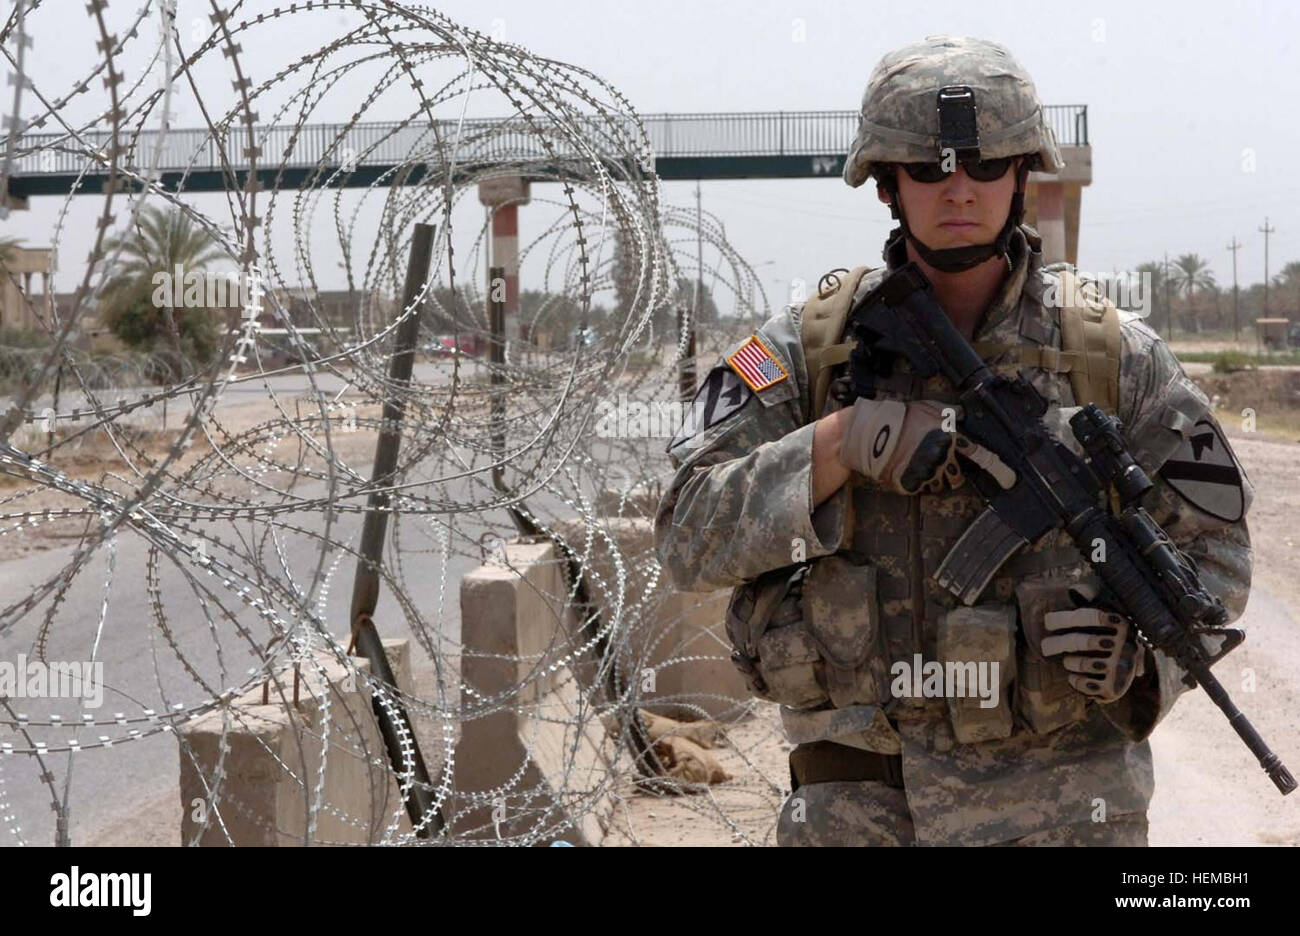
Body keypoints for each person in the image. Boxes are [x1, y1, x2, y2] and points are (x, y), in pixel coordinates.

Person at [654, 35, 1253, 846]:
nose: (958, 188)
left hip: (1065, 811)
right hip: (858, 810)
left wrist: (1144, 668)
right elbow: (686, 535)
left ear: (1022, 174)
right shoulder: (805, 351)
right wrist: (839, 444)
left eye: (983, 163)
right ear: (889, 186)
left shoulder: (1114, 356)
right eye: (930, 168)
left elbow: (1214, 560)